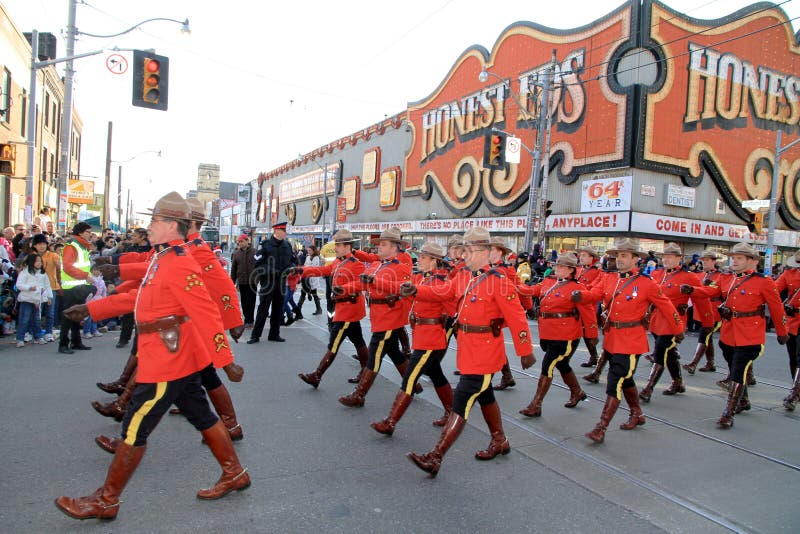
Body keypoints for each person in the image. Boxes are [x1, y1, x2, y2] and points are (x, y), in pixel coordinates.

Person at [55, 192, 250, 521]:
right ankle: (234, 473)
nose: (149, 226)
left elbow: (205, 311)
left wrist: (225, 358)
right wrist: (91, 309)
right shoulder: (164, 257)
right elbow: (137, 299)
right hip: (173, 353)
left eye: (155, 220)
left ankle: (106, 500)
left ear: (172, 225)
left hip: (168, 359)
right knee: (202, 416)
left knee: (134, 428)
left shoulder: (181, 260)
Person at [405, 227, 535, 477]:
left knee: (461, 401)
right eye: (462, 250)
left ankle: (436, 456)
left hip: (485, 353)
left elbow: (518, 318)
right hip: (468, 349)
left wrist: (525, 349)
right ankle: (500, 440)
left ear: (485, 252)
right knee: (485, 396)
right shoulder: (466, 277)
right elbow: (442, 291)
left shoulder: (499, 282)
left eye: (469, 250)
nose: (463, 255)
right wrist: (417, 290)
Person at [578, 238, 683, 443]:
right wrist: (577, 295)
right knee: (626, 379)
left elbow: (667, 306)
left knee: (615, 381)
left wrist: (678, 329)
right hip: (612, 338)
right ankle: (637, 413)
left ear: (636, 259)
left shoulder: (646, 283)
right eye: (617, 255)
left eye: (624, 255)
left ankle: (601, 427)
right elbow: (594, 294)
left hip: (632, 340)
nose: (619, 259)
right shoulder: (609, 279)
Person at [682, 242, 788, 428]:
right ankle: (744, 400)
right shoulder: (726, 278)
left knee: (738, 370)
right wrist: (693, 290)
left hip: (750, 335)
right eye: (734, 258)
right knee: (735, 368)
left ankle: (728, 412)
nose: (735, 261)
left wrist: (782, 332)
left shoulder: (764, 281)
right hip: (729, 333)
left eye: (739, 258)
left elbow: (777, 308)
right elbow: (710, 291)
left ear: (751, 261)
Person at [370, 242, 455, 435]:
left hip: (431, 339)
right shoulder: (422, 278)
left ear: (435, 261)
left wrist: (414, 291)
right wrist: (375, 281)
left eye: (424, 257)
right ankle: (451, 411)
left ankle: (390, 422)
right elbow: (401, 287)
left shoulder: (441, 283)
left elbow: (441, 299)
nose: (420, 260)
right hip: (423, 337)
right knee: (436, 375)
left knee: (409, 380)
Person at [337, 227, 415, 407]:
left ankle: (359, 394)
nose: (379, 247)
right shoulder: (376, 265)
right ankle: (414, 384)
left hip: (390, 317)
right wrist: (345, 289)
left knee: (374, 356)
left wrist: (375, 281)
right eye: (379, 244)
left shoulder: (401, 267)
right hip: (379, 317)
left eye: (384, 244)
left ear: (395, 248)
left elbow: (403, 289)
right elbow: (362, 283)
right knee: (395, 353)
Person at [518, 252, 595, 417]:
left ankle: (536, 404)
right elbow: (533, 290)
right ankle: (577, 392)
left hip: (565, 335)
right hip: (548, 332)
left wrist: (592, 334)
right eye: (556, 265)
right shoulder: (549, 281)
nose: (557, 268)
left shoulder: (577, 288)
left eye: (561, 266)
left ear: (571, 270)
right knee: (562, 364)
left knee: (548, 366)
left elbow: (588, 312)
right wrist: (516, 286)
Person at [294, 229, 369, 389]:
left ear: (347, 246)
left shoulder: (356, 264)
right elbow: (323, 270)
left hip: (349, 309)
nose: (335, 248)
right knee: (358, 340)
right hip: (343, 307)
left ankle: (317, 375)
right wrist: (302, 270)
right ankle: (366, 371)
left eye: (338, 245)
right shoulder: (338, 261)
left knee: (334, 344)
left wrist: (345, 289)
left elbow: (362, 284)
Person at [638, 243, 703, 403]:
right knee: (669, 353)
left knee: (660, 352)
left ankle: (649, 388)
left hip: (673, 321)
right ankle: (678, 382)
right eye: (664, 256)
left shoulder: (689, 277)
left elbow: (701, 295)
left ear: (679, 259)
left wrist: (696, 311)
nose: (665, 259)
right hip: (656, 320)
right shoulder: (658, 274)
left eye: (669, 256)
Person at [682, 251, 730, 374]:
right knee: (707, 337)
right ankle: (710, 363)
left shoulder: (721, 275)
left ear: (714, 262)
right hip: (702, 309)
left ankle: (694, 363)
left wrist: (711, 285)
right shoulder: (700, 275)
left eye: (708, 260)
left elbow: (724, 291)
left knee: (704, 334)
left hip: (715, 309)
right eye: (703, 260)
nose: (705, 263)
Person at [248, 221, 295, 343]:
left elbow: (292, 260)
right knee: (263, 309)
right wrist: (272, 271)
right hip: (268, 282)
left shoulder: (287, 245)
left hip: (281, 282)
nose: (285, 233)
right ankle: (255, 335)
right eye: (284, 230)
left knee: (278, 309)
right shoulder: (265, 245)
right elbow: (257, 264)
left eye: (285, 230)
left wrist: (292, 268)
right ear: (276, 231)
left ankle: (274, 334)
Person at [58, 221, 96, 354]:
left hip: (78, 285)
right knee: (68, 316)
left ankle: (76, 341)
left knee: (76, 315)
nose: (90, 234)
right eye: (88, 232)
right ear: (80, 232)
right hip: (72, 287)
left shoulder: (81, 246)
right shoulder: (72, 246)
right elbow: (68, 267)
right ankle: (63, 344)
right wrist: (85, 276)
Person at [14, 253, 52, 347]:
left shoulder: (43, 273)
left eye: (40, 261)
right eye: (36, 261)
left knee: (37, 319)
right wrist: (29, 288)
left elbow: (47, 286)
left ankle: (37, 337)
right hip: (27, 299)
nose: (39, 263)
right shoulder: (24, 272)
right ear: (31, 262)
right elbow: (19, 285)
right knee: (24, 319)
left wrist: (49, 297)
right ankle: (20, 338)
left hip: (38, 300)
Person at [575, 245, 603, 369]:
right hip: (575, 303)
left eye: (584, 255)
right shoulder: (577, 269)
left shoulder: (596, 272)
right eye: (581, 255)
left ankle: (594, 355)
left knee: (588, 331)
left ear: (592, 258)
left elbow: (594, 288)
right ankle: (594, 356)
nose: (581, 257)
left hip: (587, 304)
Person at [31, 233, 61, 342]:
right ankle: (36, 334)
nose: (42, 246)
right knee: (37, 312)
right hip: (36, 288)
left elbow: (59, 267)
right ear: (35, 245)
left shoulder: (52, 255)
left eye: (44, 243)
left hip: (51, 287)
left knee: (50, 312)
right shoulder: (31, 256)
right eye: (39, 244)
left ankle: (49, 332)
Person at [230, 234, 257, 328]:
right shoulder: (236, 254)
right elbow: (233, 269)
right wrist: (231, 282)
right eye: (239, 242)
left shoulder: (254, 252)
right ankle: (246, 319)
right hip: (242, 281)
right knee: (244, 301)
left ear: (247, 241)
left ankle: (251, 320)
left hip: (252, 281)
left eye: (242, 241)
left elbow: (259, 266)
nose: (240, 243)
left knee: (251, 301)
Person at [298, 245, 323, 316]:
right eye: (308, 250)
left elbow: (313, 268)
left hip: (313, 279)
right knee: (303, 294)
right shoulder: (308, 257)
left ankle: (319, 309)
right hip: (306, 279)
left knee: (314, 295)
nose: (308, 252)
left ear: (313, 250)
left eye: (310, 250)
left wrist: (307, 268)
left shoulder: (316, 258)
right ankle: (298, 310)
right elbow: (306, 266)